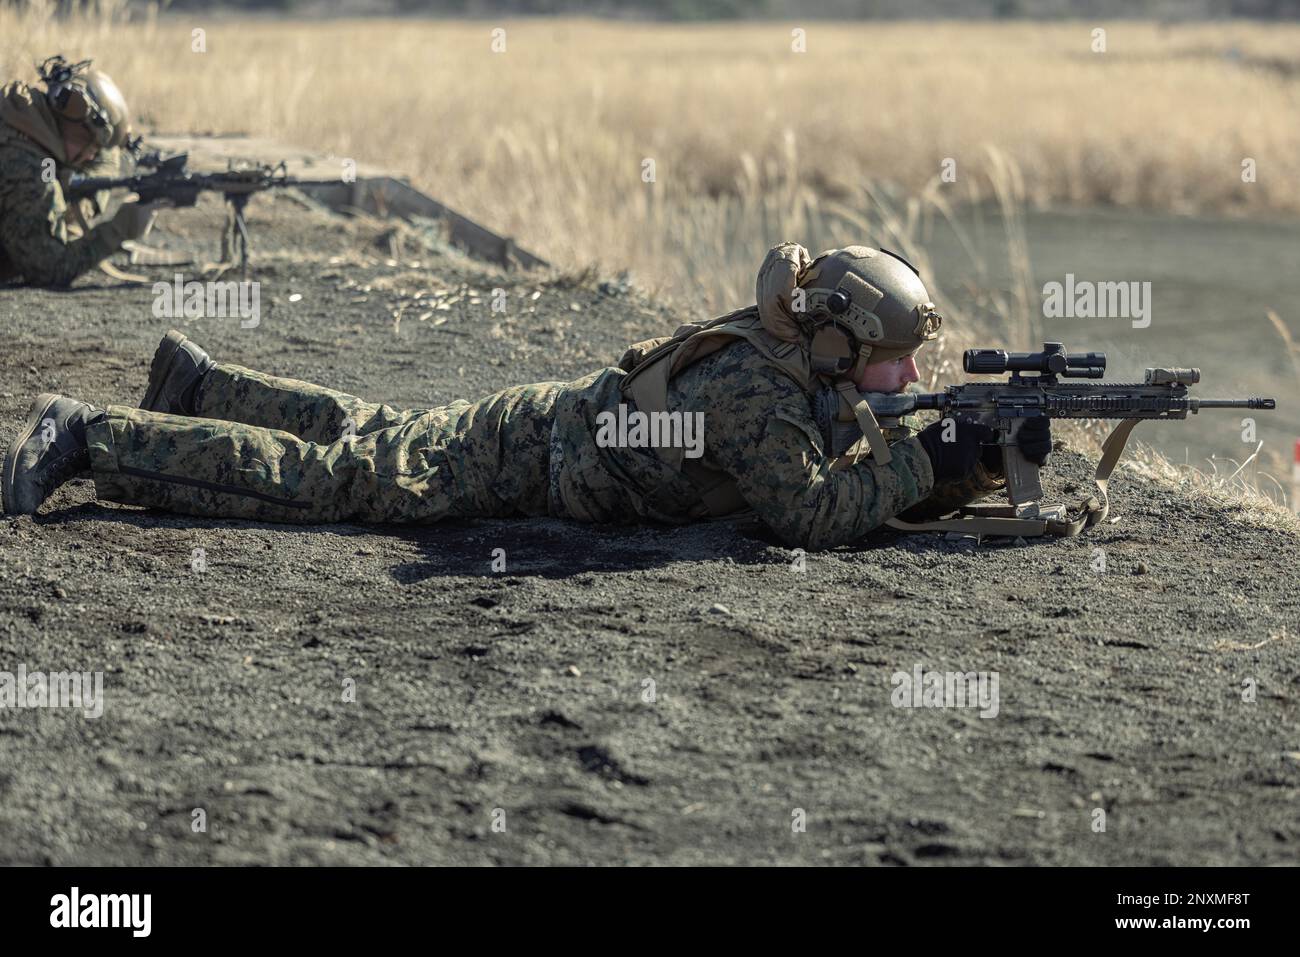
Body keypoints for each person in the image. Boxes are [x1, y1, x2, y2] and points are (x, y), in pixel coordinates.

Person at [0, 243, 1051, 550]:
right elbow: (809, 512)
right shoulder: (756, 394)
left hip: (552, 424)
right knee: (344, 483)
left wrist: (942, 445)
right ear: (834, 341)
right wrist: (934, 461)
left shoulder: (781, 354)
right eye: (893, 363)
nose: (908, 380)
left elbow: (835, 452)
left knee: (379, 428)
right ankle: (92, 437)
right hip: (536, 456)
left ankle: (200, 382)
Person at [0, 55, 160, 286]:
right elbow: (49, 270)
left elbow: (105, 158)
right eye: (92, 145)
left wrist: (78, 198)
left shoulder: (17, 112)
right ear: (75, 125)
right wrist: (118, 230)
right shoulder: (31, 171)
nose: (92, 155)